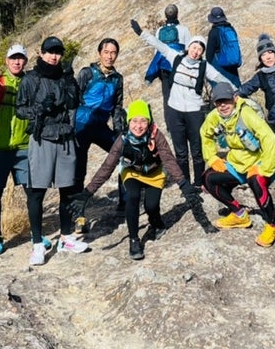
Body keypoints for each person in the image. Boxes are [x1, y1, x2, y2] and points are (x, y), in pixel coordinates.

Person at [71, 99, 198, 259]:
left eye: (143, 121)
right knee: (132, 196)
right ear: (128, 122)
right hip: (132, 172)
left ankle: (157, 224)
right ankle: (134, 240)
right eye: (134, 121)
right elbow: (107, 167)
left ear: (149, 121)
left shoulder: (156, 135)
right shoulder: (122, 140)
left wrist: (183, 183)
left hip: (155, 174)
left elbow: (169, 159)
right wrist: (87, 192)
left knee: (151, 207)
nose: (138, 126)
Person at [131, 19, 233, 186]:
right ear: (188, 47)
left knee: (197, 150)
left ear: (201, 52)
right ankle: (185, 182)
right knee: (181, 151)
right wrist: (142, 33)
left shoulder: (204, 67)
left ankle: (199, 183)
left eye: (199, 49)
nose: (195, 51)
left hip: (194, 110)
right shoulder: (176, 57)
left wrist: (236, 92)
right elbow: (159, 46)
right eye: (194, 47)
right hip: (174, 109)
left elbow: (220, 79)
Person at [15, 36, 87, 264]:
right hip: (42, 137)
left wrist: (72, 86)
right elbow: (19, 110)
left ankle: (65, 237)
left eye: (58, 52)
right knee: (37, 192)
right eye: (50, 52)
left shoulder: (65, 77)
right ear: (42, 53)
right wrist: (39, 109)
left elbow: (75, 104)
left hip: (65, 136)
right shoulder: (31, 79)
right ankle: (37, 243)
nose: (54, 56)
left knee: (67, 189)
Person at [0, 43, 52, 255]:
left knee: (32, 191)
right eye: (13, 58)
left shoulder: (31, 82)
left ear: (26, 61)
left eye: (21, 58)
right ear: (6, 60)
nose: (17, 62)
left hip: (24, 145)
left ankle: (35, 233)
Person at [200, 81, 275, 246]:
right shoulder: (215, 116)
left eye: (226, 101)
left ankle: (272, 226)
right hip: (237, 162)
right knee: (208, 178)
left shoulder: (246, 114)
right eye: (218, 102)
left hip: (260, 161)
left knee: (256, 181)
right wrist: (212, 158)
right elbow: (205, 134)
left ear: (235, 98)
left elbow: (269, 138)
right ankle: (239, 215)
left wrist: (264, 167)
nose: (223, 106)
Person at [238, 33, 275, 222]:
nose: (268, 56)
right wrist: (226, 98)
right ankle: (256, 184)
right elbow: (244, 90)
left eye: (270, 52)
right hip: (274, 124)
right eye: (264, 54)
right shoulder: (260, 77)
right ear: (260, 58)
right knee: (260, 154)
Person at [72, 37, 126, 203]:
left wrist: (118, 130)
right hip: (81, 126)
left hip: (101, 127)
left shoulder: (117, 78)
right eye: (106, 52)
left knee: (123, 153)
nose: (110, 56)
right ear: (99, 53)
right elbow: (74, 99)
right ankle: (78, 208)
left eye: (113, 53)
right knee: (79, 169)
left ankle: (124, 200)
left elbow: (117, 106)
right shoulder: (87, 73)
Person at [144, 4, 192, 116]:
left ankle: (170, 122)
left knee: (167, 95)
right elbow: (189, 49)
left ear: (165, 16)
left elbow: (156, 51)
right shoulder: (183, 29)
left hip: (163, 67)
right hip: (179, 66)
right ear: (177, 14)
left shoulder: (160, 30)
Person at [205, 5, 243, 87]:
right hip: (232, 63)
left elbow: (209, 54)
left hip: (219, 64)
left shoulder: (213, 31)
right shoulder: (231, 29)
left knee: (222, 89)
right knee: (235, 88)